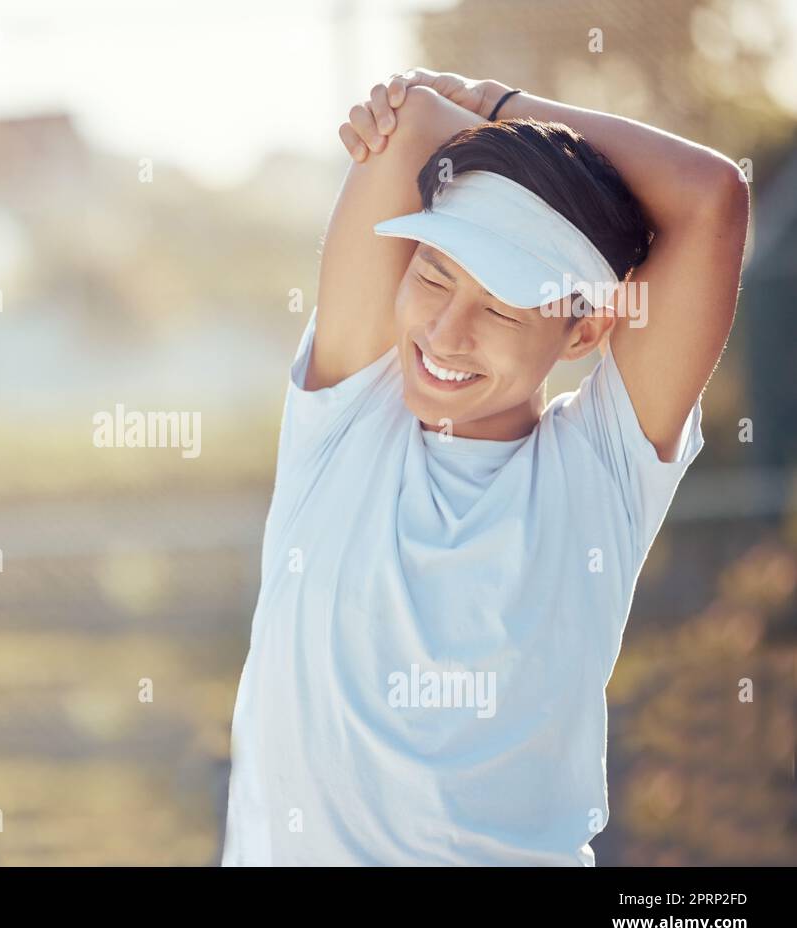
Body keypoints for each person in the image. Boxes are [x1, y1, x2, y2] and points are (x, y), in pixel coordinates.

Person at [221, 70, 750, 865]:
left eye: (502, 307)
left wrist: (497, 107)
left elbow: (712, 197)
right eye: (434, 273)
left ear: (582, 333)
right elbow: (409, 125)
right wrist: (465, 122)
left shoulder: (600, 474)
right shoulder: (347, 419)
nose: (445, 330)